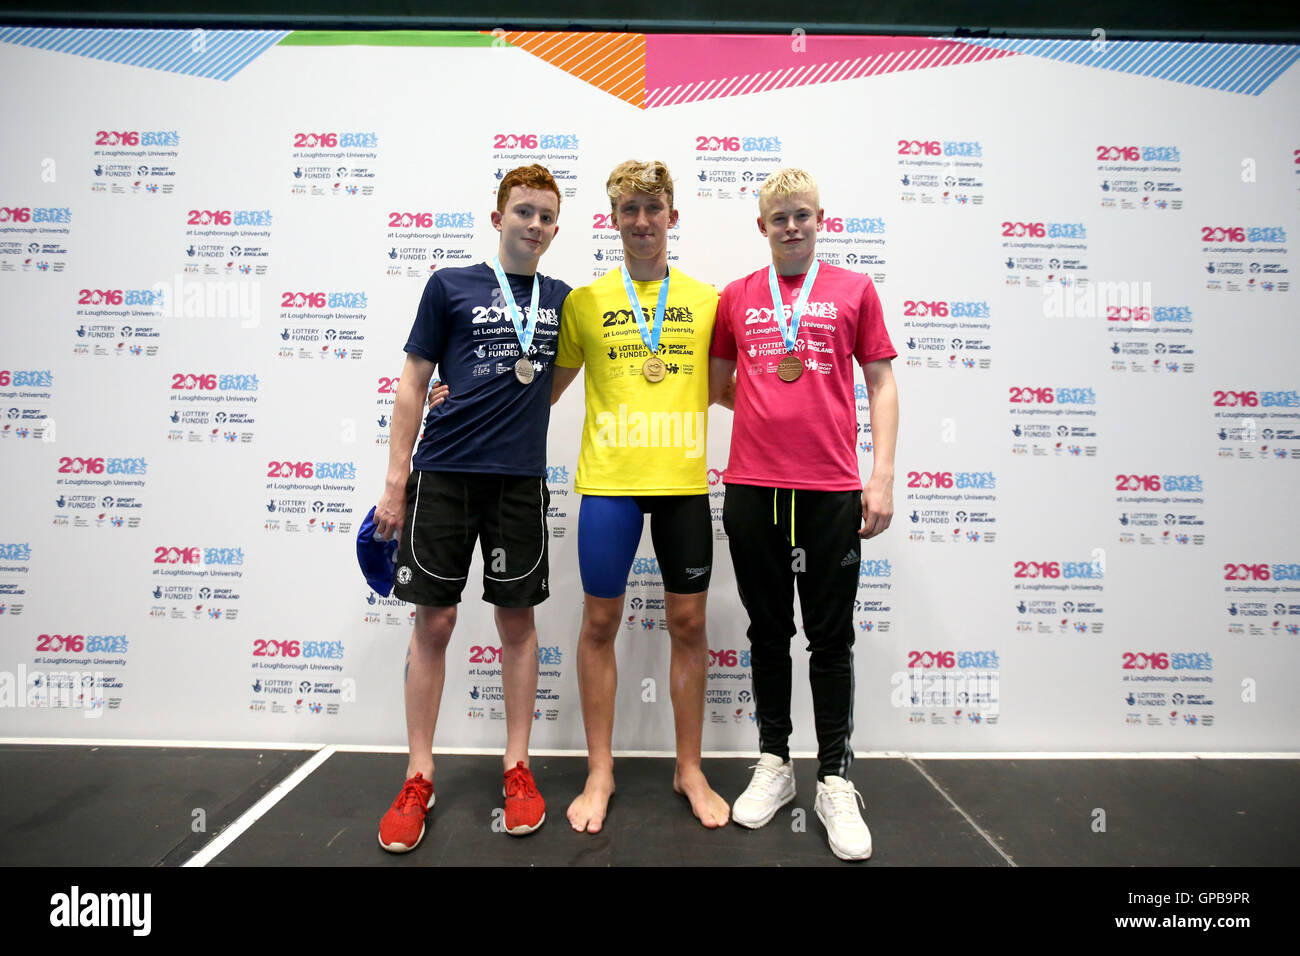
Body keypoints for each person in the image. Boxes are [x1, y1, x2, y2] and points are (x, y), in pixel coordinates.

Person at [372, 164, 570, 852]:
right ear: (497, 218)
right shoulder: (448, 285)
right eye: (523, 211)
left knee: (516, 621)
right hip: (444, 475)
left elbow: (553, 376)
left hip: (516, 481)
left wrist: (504, 403)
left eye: (546, 215)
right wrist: (395, 480)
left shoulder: (563, 299)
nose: (535, 224)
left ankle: (517, 767)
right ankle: (417, 774)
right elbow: (412, 382)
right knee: (436, 620)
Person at [708, 167, 898, 861]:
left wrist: (879, 475)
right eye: (779, 217)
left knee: (830, 637)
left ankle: (837, 778)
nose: (791, 226)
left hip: (829, 490)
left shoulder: (854, 289)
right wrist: (773, 409)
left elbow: (880, 382)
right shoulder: (737, 297)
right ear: (762, 227)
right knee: (766, 630)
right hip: (755, 486)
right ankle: (774, 764)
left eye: (803, 216)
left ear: (822, 220)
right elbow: (721, 385)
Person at [550, 159, 730, 833]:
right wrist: (464, 400)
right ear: (613, 219)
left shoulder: (708, 301)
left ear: (672, 216)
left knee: (688, 626)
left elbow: (732, 390)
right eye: (629, 209)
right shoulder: (585, 303)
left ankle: (689, 768)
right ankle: (601, 771)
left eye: (654, 207)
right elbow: (545, 393)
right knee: (599, 626)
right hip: (608, 489)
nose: (643, 220)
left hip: (683, 486)